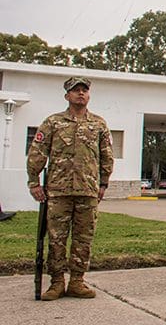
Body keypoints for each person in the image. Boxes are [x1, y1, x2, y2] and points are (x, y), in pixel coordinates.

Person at [26, 77, 114, 301]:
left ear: (89, 95)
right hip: (59, 191)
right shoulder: (53, 122)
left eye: (84, 90)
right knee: (57, 238)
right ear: (67, 96)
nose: (81, 93)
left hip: (87, 190)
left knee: (83, 238)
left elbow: (106, 155)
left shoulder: (99, 124)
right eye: (76, 90)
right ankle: (57, 282)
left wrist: (103, 183)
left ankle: (77, 282)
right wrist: (34, 182)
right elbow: (37, 152)